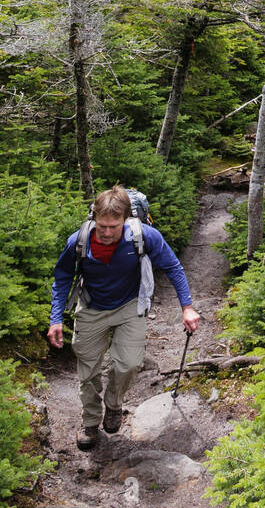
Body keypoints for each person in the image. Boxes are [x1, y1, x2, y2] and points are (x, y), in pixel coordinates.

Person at [46, 185, 201, 450]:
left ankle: (114, 405)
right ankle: (90, 423)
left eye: (113, 226)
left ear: (126, 220)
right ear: (93, 218)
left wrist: (187, 306)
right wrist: (55, 318)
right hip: (91, 306)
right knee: (88, 369)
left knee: (128, 364)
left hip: (130, 305)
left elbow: (173, 266)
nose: (106, 232)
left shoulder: (143, 236)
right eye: (102, 225)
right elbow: (62, 277)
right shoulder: (79, 240)